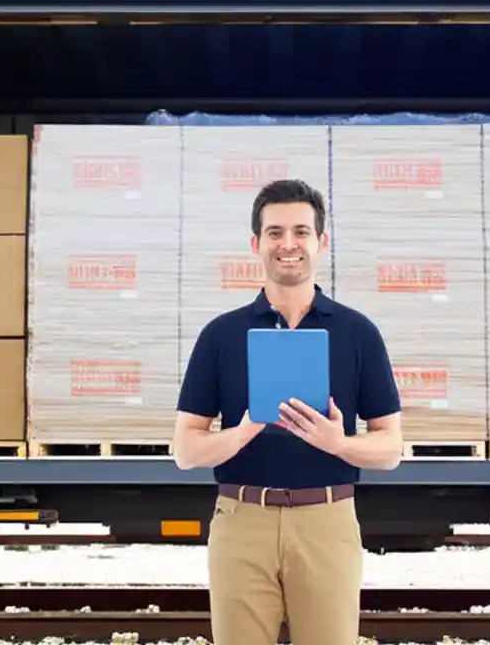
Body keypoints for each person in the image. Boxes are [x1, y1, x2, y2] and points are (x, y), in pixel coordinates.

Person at [172, 178, 404, 645]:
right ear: (256, 244)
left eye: (301, 232)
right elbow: (185, 450)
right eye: (274, 232)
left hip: (327, 520)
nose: (288, 244)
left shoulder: (358, 333)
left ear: (321, 241)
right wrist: (244, 430)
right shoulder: (221, 335)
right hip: (242, 519)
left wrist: (338, 443)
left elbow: (390, 449)